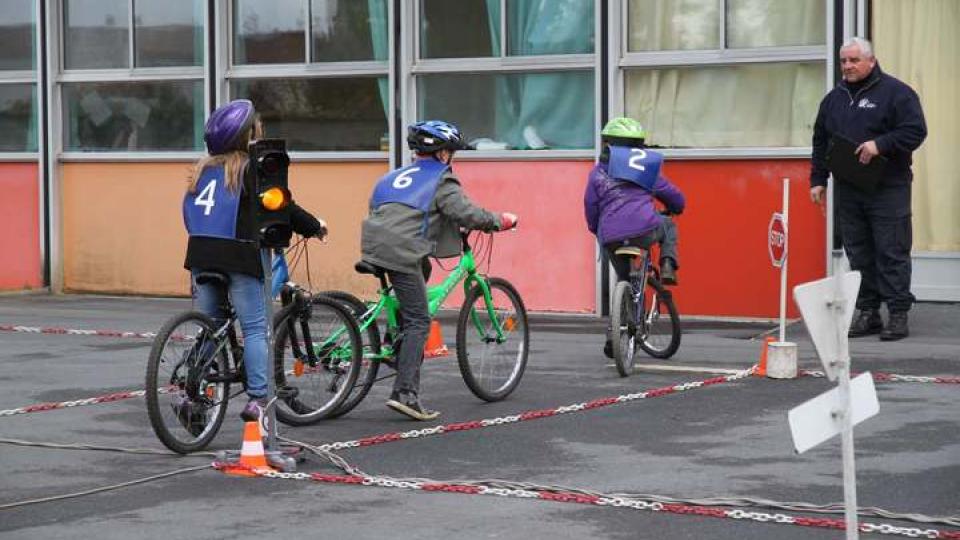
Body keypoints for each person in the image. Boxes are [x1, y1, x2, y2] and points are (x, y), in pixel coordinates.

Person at [182, 99, 327, 427]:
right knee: (255, 329)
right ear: (248, 135)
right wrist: (313, 226)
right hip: (240, 254)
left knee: (211, 326)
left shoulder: (201, 171)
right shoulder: (252, 169)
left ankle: (193, 391)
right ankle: (259, 399)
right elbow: (283, 207)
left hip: (200, 252)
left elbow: (188, 215)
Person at [360, 120, 518, 421]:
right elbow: (465, 212)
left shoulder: (393, 176)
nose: (451, 158)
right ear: (443, 153)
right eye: (451, 153)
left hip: (375, 244)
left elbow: (392, 211)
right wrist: (499, 220)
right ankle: (404, 393)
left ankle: (396, 341)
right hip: (402, 250)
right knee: (420, 319)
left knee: (423, 268)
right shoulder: (441, 179)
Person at [809, 37, 927, 341]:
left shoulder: (897, 93)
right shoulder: (833, 99)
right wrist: (818, 179)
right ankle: (868, 313)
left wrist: (880, 144)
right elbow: (821, 140)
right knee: (859, 253)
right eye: (843, 61)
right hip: (849, 189)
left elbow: (915, 131)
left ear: (871, 61)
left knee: (891, 251)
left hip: (888, 187)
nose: (847, 66)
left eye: (854, 60)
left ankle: (897, 314)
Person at [583, 117, 685, 359]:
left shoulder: (598, 173)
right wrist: (675, 207)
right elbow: (676, 198)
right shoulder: (645, 169)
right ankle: (668, 264)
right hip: (644, 232)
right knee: (668, 224)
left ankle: (613, 336)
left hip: (611, 237)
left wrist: (596, 229)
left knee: (623, 279)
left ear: (608, 144)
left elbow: (590, 207)